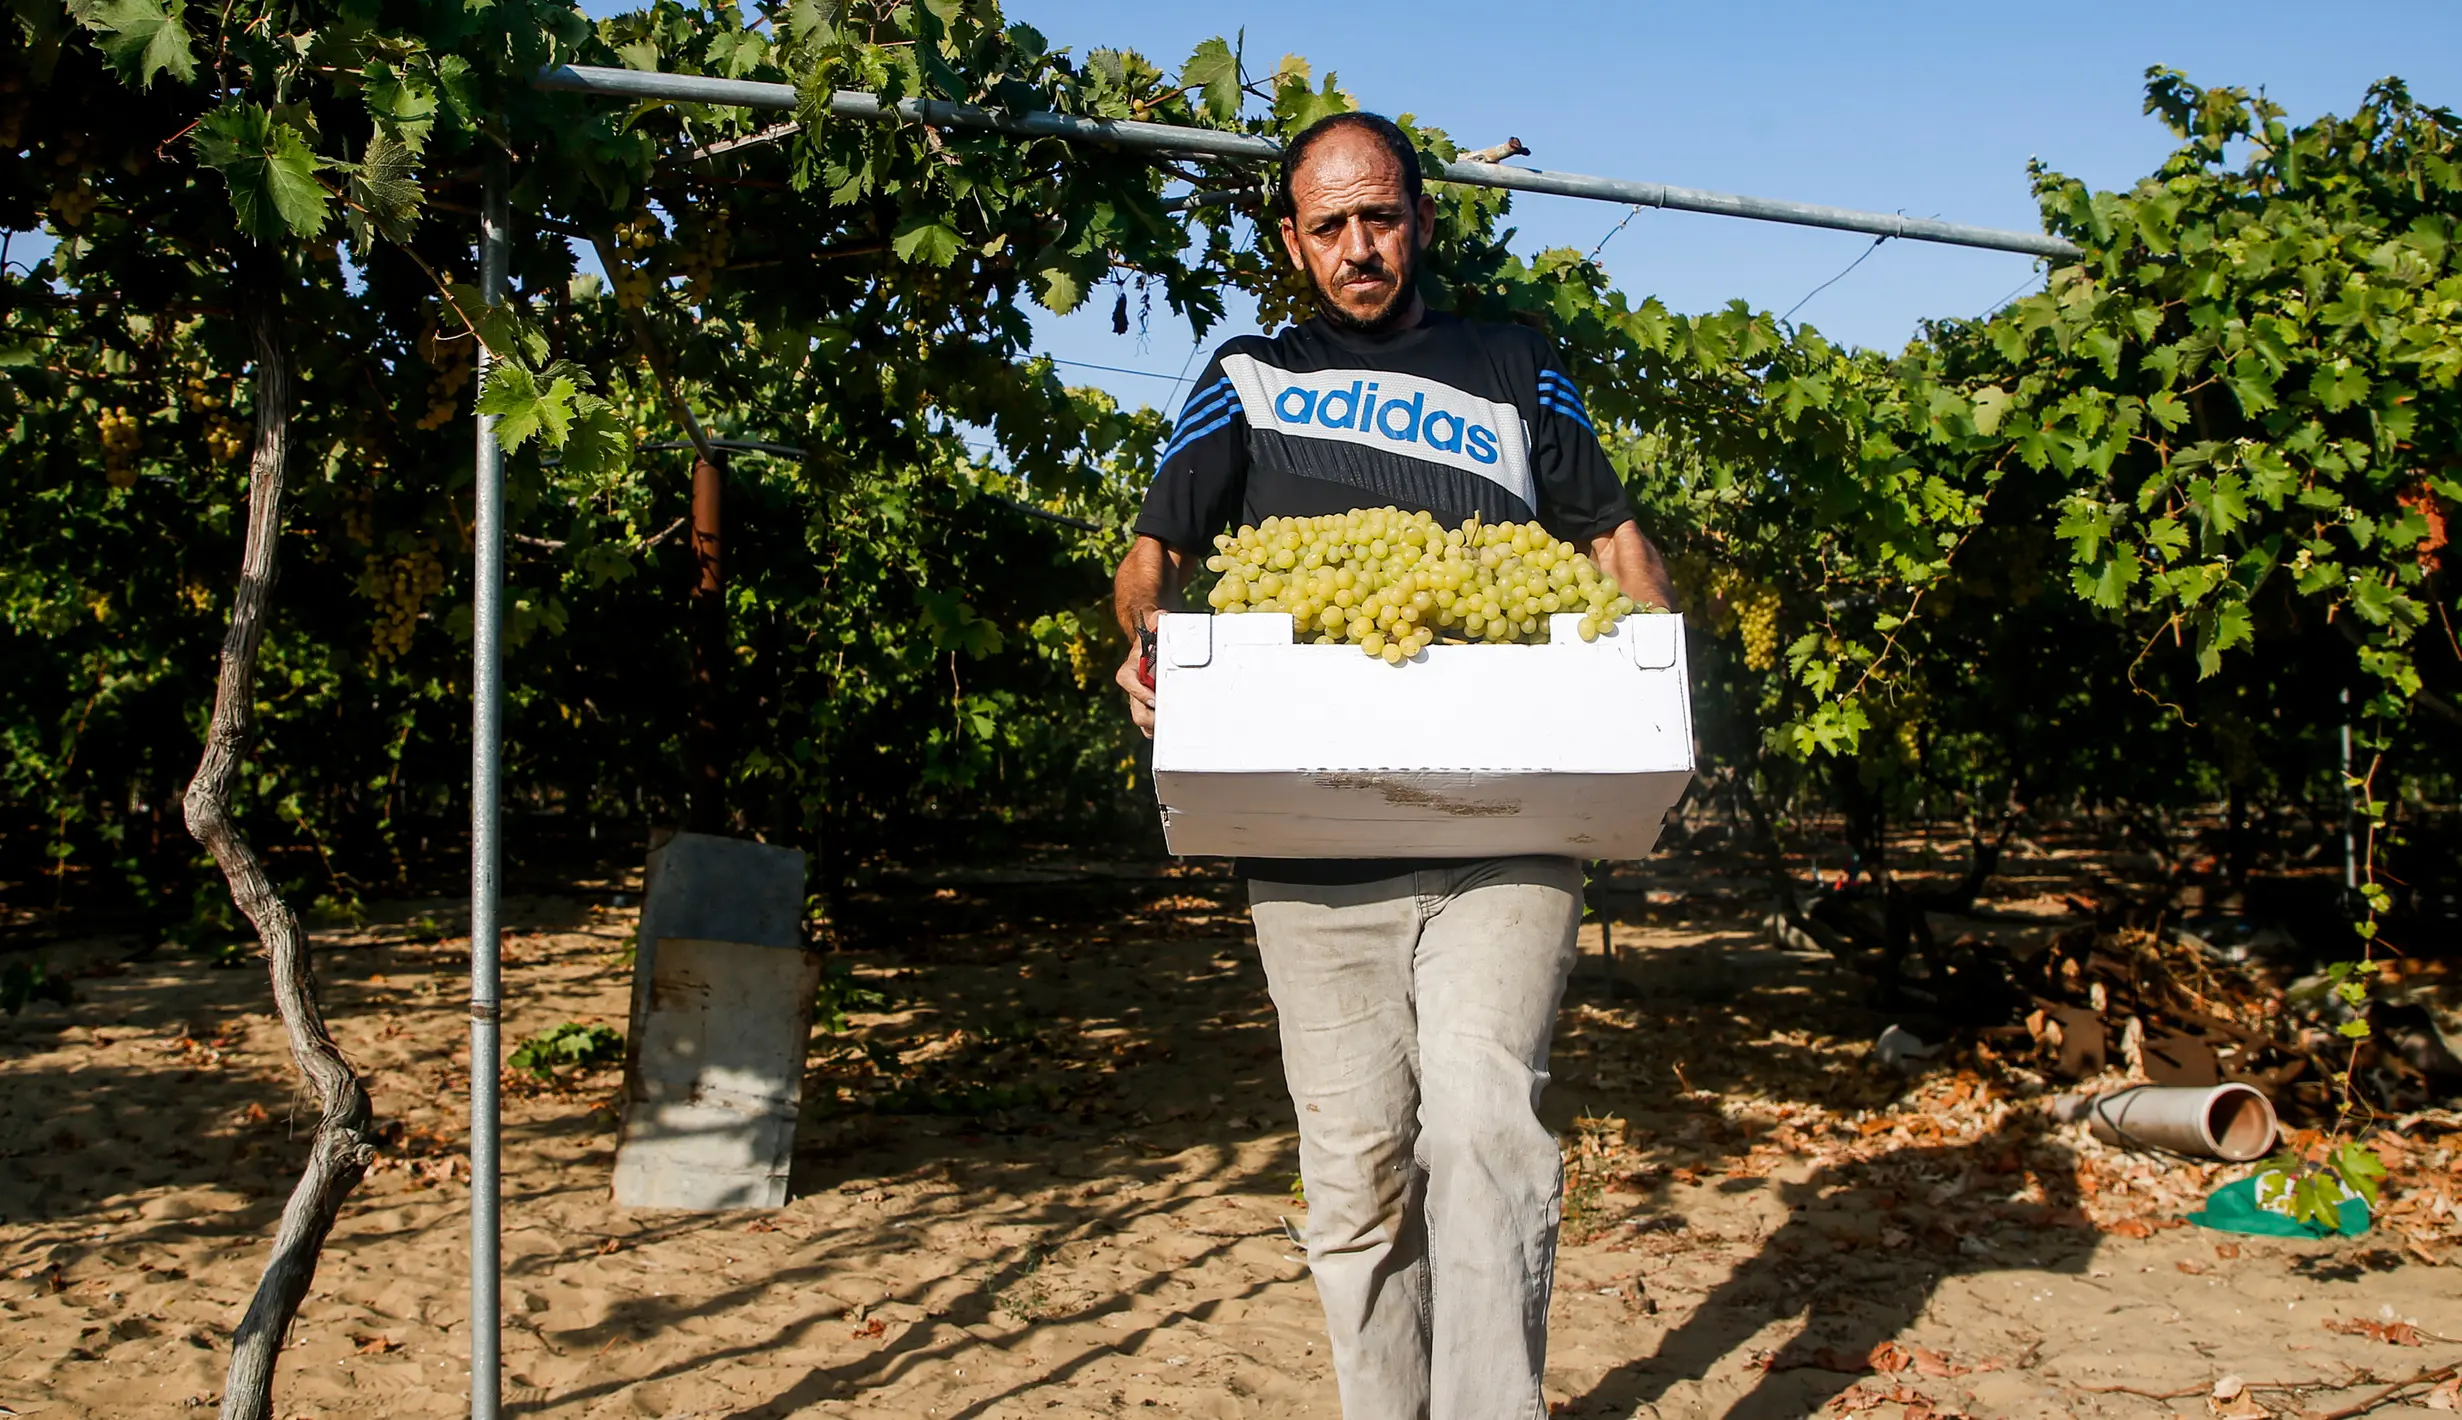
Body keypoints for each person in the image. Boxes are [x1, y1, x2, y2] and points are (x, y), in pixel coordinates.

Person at [1108, 110, 1680, 1419]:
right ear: (1293, 240)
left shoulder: (1516, 359)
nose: (1358, 249)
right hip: (1310, 843)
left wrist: (1648, 689)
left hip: (1506, 819)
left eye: (1380, 218)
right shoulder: (1243, 373)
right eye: (1329, 227)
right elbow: (1155, 556)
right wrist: (1149, 647)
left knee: (1483, 1133)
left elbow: (1609, 539)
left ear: (1421, 220)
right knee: (1357, 1169)